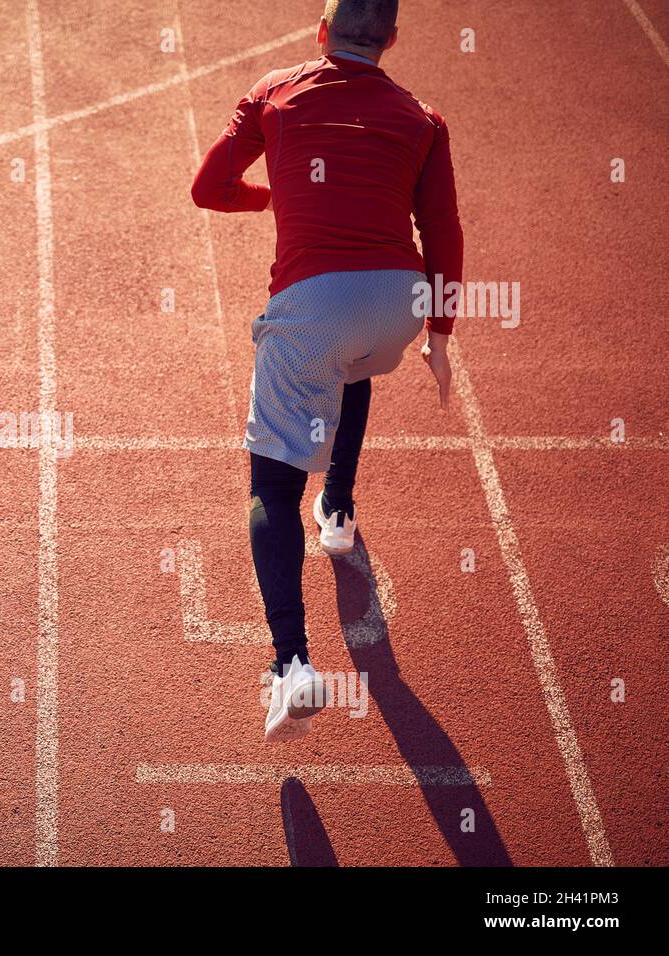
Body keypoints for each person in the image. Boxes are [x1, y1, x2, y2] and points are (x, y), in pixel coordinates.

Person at [190, 0, 463, 741]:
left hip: (316, 303)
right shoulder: (423, 119)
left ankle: (293, 666)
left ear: (321, 31)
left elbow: (208, 187)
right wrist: (439, 334)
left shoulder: (277, 91)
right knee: (353, 363)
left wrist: (279, 196)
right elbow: (442, 229)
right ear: (392, 40)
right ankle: (338, 513)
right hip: (398, 303)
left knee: (273, 485)